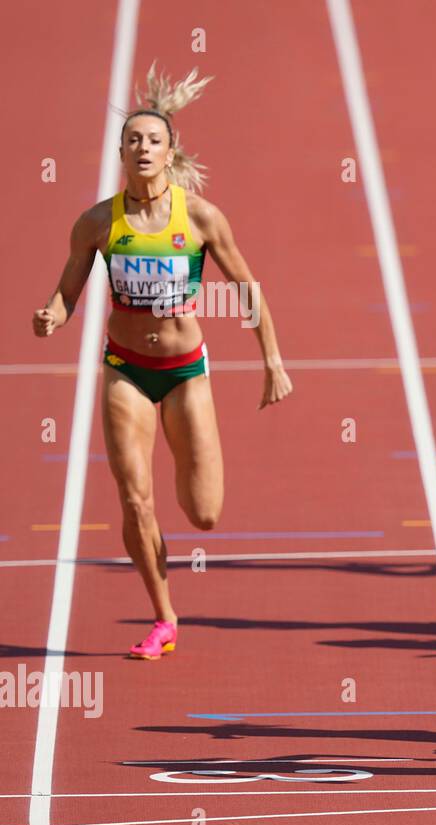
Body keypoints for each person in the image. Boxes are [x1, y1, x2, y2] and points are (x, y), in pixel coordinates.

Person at [33, 65, 292, 660]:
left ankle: (184, 497)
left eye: (153, 140)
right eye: (133, 140)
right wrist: (52, 314)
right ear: (121, 152)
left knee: (202, 513)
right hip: (124, 369)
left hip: (185, 374)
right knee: (134, 499)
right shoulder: (98, 223)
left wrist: (272, 362)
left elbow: (248, 288)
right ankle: (164, 618)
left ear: (171, 152)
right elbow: (67, 291)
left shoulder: (199, 217)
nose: (142, 148)